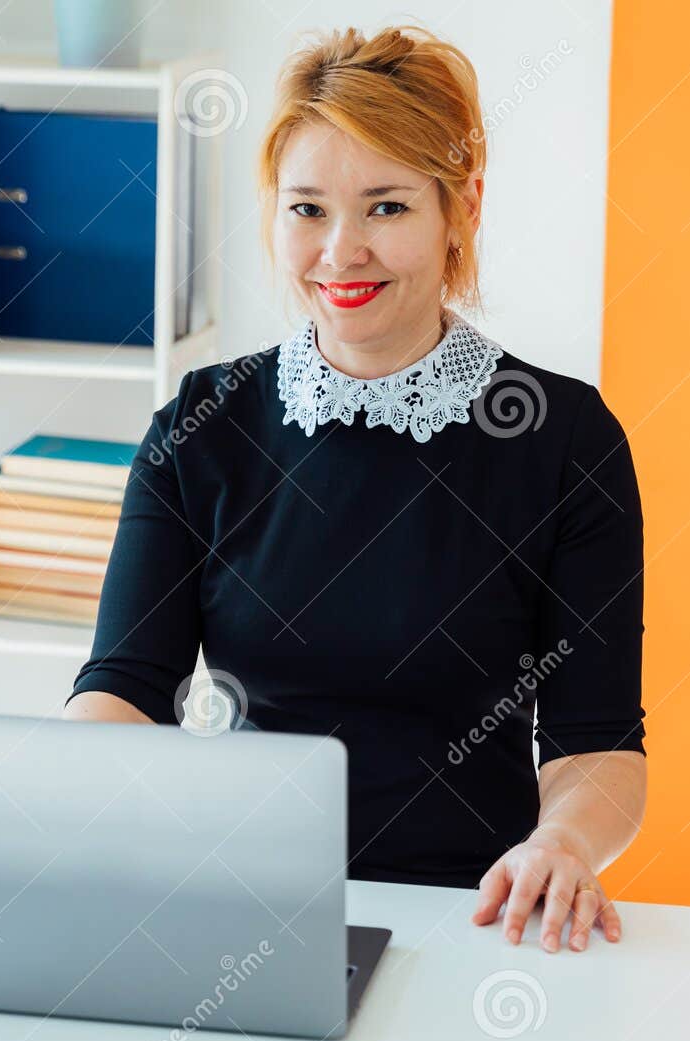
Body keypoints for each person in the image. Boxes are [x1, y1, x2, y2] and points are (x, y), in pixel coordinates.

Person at [65, 24, 647, 954]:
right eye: (307, 210)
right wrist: (59, 798)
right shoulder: (200, 427)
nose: (340, 252)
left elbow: (599, 744)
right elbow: (126, 688)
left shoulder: (565, 438)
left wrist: (565, 842)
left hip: (476, 923)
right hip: (240, 917)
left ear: (461, 209)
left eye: (385, 207)